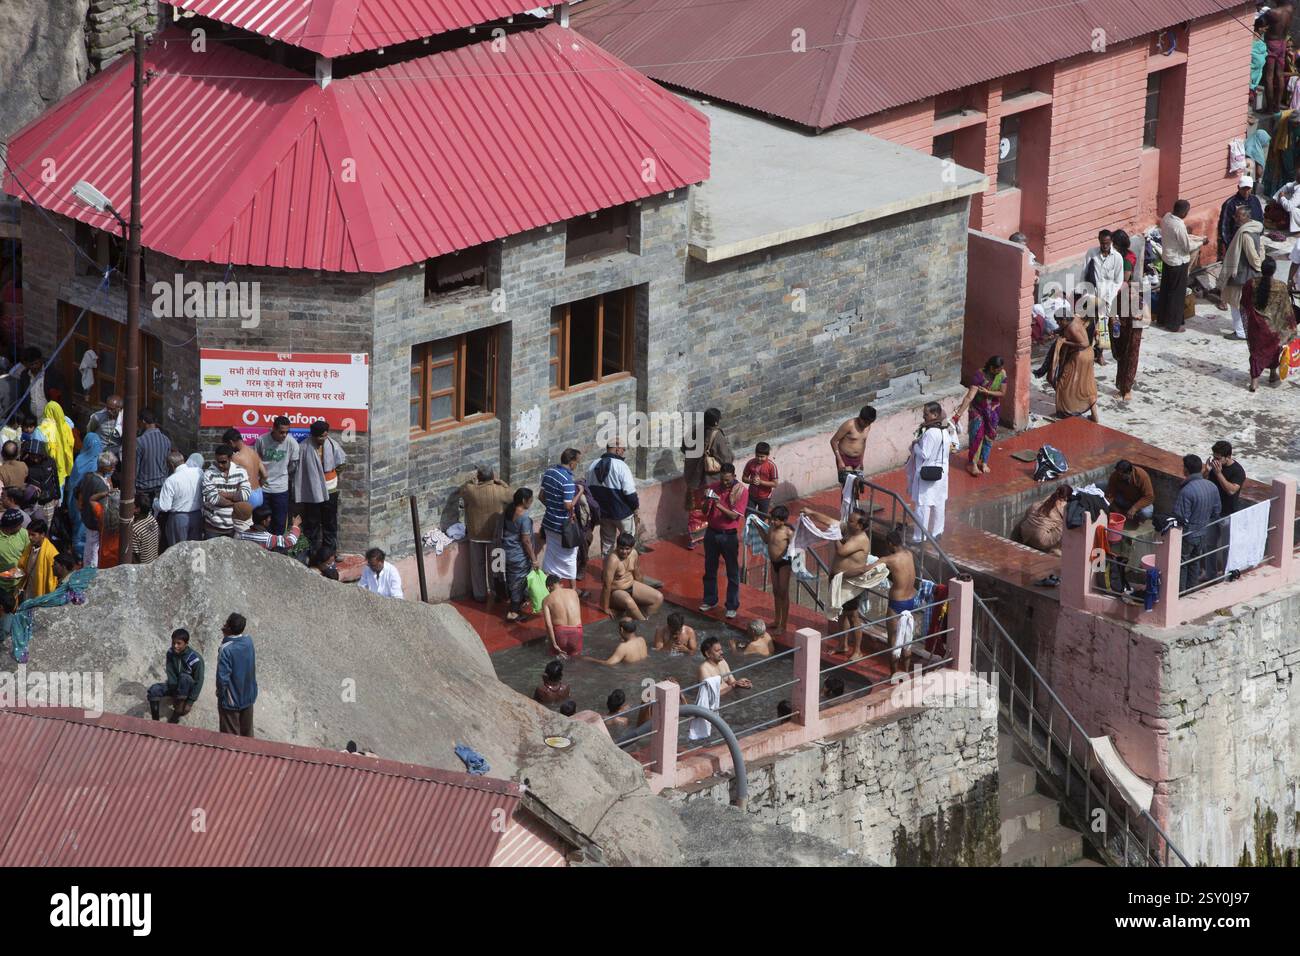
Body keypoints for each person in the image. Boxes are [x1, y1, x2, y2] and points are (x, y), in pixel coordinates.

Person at [806, 508, 874, 659]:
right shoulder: (849, 530)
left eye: (851, 521)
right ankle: (842, 645)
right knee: (841, 613)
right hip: (837, 580)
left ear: (860, 526)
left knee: (853, 616)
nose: (848, 523)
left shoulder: (860, 539)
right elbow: (829, 521)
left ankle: (857, 650)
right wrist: (811, 512)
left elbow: (842, 551)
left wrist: (834, 535)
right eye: (848, 520)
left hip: (850, 584)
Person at [699, 462, 747, 619]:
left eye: (727, 480)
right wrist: (708, 500)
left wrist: (718, 504)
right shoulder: (714, 487)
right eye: (722, 480)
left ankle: (732, 606)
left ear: (734, 476)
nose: (724, 483)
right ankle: (710, 600)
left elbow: (734, 515)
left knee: (732, 572)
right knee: (709, 568)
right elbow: (705, 511)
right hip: (712, 533)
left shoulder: (741, 491)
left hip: (729, 536)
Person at [457, 464, 512, 602]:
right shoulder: (500, 490)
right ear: (493, 477)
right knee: (497, 566)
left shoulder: (471, 491)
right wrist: (502, 482)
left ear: (479, 476)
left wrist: (471, 480)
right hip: (495, 535)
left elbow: (462, 490)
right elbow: (513, 495)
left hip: (476, 534)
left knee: (477, 566)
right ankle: (497, 592)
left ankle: (480, 595)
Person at [907, 402, 959, 541]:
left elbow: (925, 454)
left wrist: (915, 445)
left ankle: (920, 537)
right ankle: (938, 531)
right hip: (942, 473)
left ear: (935, 415)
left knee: (923, 505)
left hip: (927, 473)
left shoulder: (930, 433)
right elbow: (954, 447)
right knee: (939, 502)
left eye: (926, 413)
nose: (924, 415)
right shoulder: (945, 431)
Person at [1243, 257, 1297, 390]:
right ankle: (1272, 375)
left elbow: (1244, 302)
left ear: (1261, 269)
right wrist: (1290, 328)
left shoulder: (1251, 283)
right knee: (1274, 350)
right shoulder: (1281, 286)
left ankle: (1254, 382)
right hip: (1274, 328)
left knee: (1256, 353)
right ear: (1274, 271)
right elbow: (1286, 309)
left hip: (1256, 326)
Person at [294, 420, 346, 555]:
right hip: (312, 490)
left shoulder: (333, 445)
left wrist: (326, 478)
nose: (322, 439)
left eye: (324, 436)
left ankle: (330, 552)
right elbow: (299, 470)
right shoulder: (304, 447)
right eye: (319, 437)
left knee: (330, 522)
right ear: (313, 436)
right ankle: (312, 552)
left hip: (330, 488)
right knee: (312, 522)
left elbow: (340, 464)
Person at [683, 408, 731, 549]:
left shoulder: (695, 431)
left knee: (694, 508)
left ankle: (694, 538)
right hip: (709, 480)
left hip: (692, 478)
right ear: (716, 421)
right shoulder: (717, 436)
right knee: (711, 506)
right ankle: (709, 535)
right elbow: (726, 458)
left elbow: (683, 447)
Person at [1173, 454, 1222, 593]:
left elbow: (1180, 517)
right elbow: (1216, 511)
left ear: (1186, 470)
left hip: (1188, 534)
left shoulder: (1186, 491)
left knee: (1182, 563)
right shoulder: (1212, 486)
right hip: (1204, 532)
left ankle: (1180, 592)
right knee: (1195, 562)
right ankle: (1191, 590)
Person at [689, 636, 751, 740]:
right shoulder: (704, 669)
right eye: (717, 651)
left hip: (727, 702)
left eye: (721, 649)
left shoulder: (723, 662)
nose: (721, 652)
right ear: (708, 654)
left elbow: (732, 681)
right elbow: (711, 695)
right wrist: (733, 685)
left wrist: (742, 683)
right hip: (716, 707)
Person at [952, 356, 1006, 477]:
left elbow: (1002, 393)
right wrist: (958, 415)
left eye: (1001, 369)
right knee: (977, 435)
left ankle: (984, 461)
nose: (1000, 371)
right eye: (997, 369)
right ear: (991, 368)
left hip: (992, 410)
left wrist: (987, 392)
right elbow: (969, 396)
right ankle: (973, 464)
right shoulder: (979, 376)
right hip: (977, 409)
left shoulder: (1002, 374)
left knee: (990, 435)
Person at [875, 528, 919, 674]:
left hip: (896, 603)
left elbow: (867, 569)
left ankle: (893, 675)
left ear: (890, 544)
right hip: (911, 601)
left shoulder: (890, 559)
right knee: (907, 640)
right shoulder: (909, 554)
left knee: (893, 640)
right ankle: (905, 673)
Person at [587, 442, 640, 557]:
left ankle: (607, 570)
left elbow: (589, 491)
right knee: (628, 543)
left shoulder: (592, 465)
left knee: (607, 545)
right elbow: (630, 492)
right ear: (617, 449)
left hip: (604, 514)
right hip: (623, 513)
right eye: (623, 449)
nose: (623, 452)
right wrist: (635, 507)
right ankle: (624, 571)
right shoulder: (621, 466)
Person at [538, 448, 581, 587]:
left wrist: (552, 507)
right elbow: (568, 506)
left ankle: (547, 585)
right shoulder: (568, 480)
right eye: (577, 462)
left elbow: (541, 497)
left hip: (549, 522)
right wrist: (579, 492)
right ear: (571, 462)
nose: (577, 465)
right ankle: (573, 588)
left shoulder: (549, 473)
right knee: (570, 556)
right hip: (563, 526)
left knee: (551, 553)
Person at [1205, 441, 1246, 580]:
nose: (1215, 461)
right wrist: (1206, 470)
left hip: (1228, 514)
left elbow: (1231, 490)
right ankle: (1210, 574)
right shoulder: (1215, 468)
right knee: (1209, 545)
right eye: (1214, 457)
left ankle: (1226, 575)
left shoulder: (1238, 471)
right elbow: (1207, 482)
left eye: (1218, 458)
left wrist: (1218, 474)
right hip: (1213, 512)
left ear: (1227, 457)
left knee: (1227, 547)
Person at [1221, 205, 1264, 341]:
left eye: (1238, 216)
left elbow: (1253, 256)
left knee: (1236, 304)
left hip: (1242, 274)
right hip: (1249, 273)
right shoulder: (1254, 229)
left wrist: (1258, 265)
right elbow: (1261, 249)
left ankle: (1240, 332)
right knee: (1245, 304)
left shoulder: (1245, 235)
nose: (1235, 218)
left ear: (1246, 217)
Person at [1109, 230, 1143, 400]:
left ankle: (1126, 387)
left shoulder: (1126, 260)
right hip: (1117, 303)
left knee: (1131, 348)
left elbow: (1122, 281)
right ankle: (1120, 384)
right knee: (1119, 344)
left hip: (1128, 304)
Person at [255, 416, 300, 536]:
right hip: (263, 488)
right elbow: (256, 461)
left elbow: (293, 466)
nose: (284, 435)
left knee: (280, 523)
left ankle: (278, 549)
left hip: (281, 489)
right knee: (262, 522)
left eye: (286, 432)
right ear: (273, 429)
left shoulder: (292, 443)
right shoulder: (262, 440)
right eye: (281, 432)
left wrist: (282, 474)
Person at [600, 532, 662, 621]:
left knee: (658, 598)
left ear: (632, 548)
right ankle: (643, 623)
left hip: (631, 585)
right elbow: (606, 584)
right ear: (617, 546)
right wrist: (605, 607)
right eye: (621, 548)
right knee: (629, 602)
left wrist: (641, 595)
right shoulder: (613, 560)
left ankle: (645, 616)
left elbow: (637, 574)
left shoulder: (634, 554)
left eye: (627, 549)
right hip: (616, 592)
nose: (624, 552)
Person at [147, 628, 204, 724]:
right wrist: (174, 693)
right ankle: (155, 723)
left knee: (184, 677)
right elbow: (171, 673)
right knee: (154, 689)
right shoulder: (170, 653)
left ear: (186, 644)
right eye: (173, 643)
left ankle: (176, 714)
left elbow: (199, 681)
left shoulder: (195, 659)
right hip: (176, 686)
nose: (175, 646)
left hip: (188, 689)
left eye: (179, 643)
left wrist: (190, 702)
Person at [1050, 313, 1100, 422]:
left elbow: (1084, 343)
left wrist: (1064, 342)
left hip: (1080, 356)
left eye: (1059, 321)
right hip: (1087, 355)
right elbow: (1066, 329)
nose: (1057, 323)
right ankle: (1094, 415)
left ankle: (1063, 412)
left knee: (1063, 382)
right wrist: (1055, 331)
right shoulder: (1074, 319)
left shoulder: (1072, 328)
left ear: (1064, 319)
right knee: (1085, 385)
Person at [499, 488, 539, 622]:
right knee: (518, 582)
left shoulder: (508, 511)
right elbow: (526, 541)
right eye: (531, 499)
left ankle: (519, 601)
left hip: (507, 551)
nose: (532, 501)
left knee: (513, 579)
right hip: (518, 556)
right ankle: (513, 612)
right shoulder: (524, 518)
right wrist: (534, 559)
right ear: (523, 500)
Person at [216, 613, 257, 737]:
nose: (223, 624)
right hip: (248, 696)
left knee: (230, 738)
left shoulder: (226, 649)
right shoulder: (248, 641)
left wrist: (220, 693)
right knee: (248, 735)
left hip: (231, 701)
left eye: (226, 622)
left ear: (229, 628)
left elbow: (222, 678)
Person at [1159, 200, 1197, 333]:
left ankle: (1162, 319)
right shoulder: (1179, 225)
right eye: (1187, 211)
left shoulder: (1166, 217)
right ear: (1183, 212)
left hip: (1167, 259)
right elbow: (1187, 246)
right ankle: (1174, 324)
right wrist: (1201, 242)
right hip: (1178, 262)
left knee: (1166, 290)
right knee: (1177, 294)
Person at [755, 503, 794, 635]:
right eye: (772, 519)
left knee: (783, 592)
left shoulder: (788, 532)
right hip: (773, 562)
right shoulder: (771, 527)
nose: (773, 521)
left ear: (783, 521)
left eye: (776, 519)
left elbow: (796, 547)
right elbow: (766, 540)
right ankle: (777, 620)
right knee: (776, 591)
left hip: (784, 564)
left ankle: (783, 625)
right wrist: (758, 527)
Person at [1081, 230, 1125, 344]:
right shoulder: (1091, 253)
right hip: (1093, 293)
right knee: (1090, 322)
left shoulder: (1117, 257)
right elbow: (1084, 274)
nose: (1105, 246)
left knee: (1104, 322)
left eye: (1107, 243)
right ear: (1099, 241)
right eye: (1102, 243)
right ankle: (1090, 346)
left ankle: (1101, 350)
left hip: (1109, 294)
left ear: (1111, 242)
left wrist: (1108, 298)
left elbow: (1118, 281)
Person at [201, 444, 252, 538]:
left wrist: (223, 494)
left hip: (235, 527)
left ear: (231, 458)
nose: (220, 465)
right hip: (213, 527)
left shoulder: (241, 472)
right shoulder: (209, 474)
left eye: (223, 462)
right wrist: (236, 503)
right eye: (218, 462)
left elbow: (245, 495)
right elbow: (214, 499)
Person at [157, 452, 204, 549]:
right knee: (195, 549)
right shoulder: (198, 472)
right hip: (197, 515)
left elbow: (165, 507)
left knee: (177, 550)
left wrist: (155, 503)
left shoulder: (171, 480)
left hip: (178, 518)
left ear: (170, 465)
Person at [77, 451, 116, 568]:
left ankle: (87, 566)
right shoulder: (100, 484)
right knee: (94, 547)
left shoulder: (88, 476)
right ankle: (92, 570)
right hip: (96, 520)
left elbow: (78, 492)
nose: (113, 469)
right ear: (104, 467)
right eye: (111, 466)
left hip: (87, 516)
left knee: (90, 545)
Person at [1016, 485, 1073, 554]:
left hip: (1024, 532)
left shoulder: (1046, 499)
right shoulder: (1062, 505)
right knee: (1065, 525)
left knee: (1034, 509)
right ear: (1066, 498)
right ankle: (1056, 549)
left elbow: (1029, 511)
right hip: (1040, 539)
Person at [1218, 176, 1265, 258]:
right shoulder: (1230, 204)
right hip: (1237, 242)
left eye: (1248, 188)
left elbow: (1260, 218)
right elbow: (1224, 227)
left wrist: (1260, 235)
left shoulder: (1255, 200)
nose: (1246, 191)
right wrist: (1230, 246)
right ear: (1238, 188)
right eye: (1244, 188)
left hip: (1254, 239)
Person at [830, 406, 876, 486]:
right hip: (845, 459)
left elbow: (863, 442)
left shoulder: (868, 426)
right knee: (848, 486)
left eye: (869, 423)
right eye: (865, 422)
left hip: (857, 460)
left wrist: (861, 460)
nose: (866, 425)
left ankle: (856, 498)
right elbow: (833, 441)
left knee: (859, 485)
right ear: (860, 417)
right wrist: (840, 461)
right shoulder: (849, 425)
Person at [541, 574, 584, 658]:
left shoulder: (546, 600)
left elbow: (548, 625)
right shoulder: (574, 593)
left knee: (556, 658)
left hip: (559, 633)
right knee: (576, 659)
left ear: (549, 588)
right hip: (577, 631)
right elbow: (579, 615)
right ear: (560, 584)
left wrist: (553, 644)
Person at [1262, 3, 1294, 112]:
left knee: (1269, 76)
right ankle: (1277, 106)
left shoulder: (1273, 13)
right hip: (1282, 43)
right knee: (1280, 75)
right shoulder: (1290, 8)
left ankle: (1270, 107)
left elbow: (1261, 22)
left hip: (1272, 44)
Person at [18, 516, 58, 599]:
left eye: (33, 535)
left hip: (41, 593)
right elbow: (22, 565)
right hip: (29, 589)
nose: (30, 537)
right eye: (29, 534)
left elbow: (52, 580)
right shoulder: (30, 547)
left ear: (42, 534)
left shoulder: (51, 553)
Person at [134, 410, 172, 499]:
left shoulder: (139, 441)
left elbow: (135, 467)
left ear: (143, 421)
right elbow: (168, 465)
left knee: (145, 512)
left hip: (143, 487)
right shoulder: (166, 440)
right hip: (161, 486)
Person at [585, 618, 649, 667]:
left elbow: (608, 664)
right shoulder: (642, 640)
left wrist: (590, 659)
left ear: (621, 629)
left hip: (629, 676)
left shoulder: (623, 647)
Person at [237, 504, 302, 551]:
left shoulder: (242, 534)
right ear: (264, 521)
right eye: (269, 518)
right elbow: (290, 541)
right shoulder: (268, 538)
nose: (270, 519)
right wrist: (295, 526)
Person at [741, 442, 778, 516]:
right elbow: (744, 478)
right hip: (751, 496)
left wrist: (760, 482)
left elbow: (775, 484)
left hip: (765, 497)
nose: (759, 459)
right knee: (749, 517)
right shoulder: (750, 463)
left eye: (762, 457)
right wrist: (751, 481)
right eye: (757, 456)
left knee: (762, 518)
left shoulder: (771, 466)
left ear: (768, 455)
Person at [0, 509, 29, 598]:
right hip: (2, 586)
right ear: (10, 527)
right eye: (19, 525)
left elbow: (28, 555)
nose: (21, 526)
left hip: (20, 584)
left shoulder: (23, 533)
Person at [130, 493, 160, 564]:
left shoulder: (135, 529)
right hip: (153, 561)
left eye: (132, 504)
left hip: (143, 566)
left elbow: (135, 556)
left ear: (137, 509)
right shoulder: (151, 518)